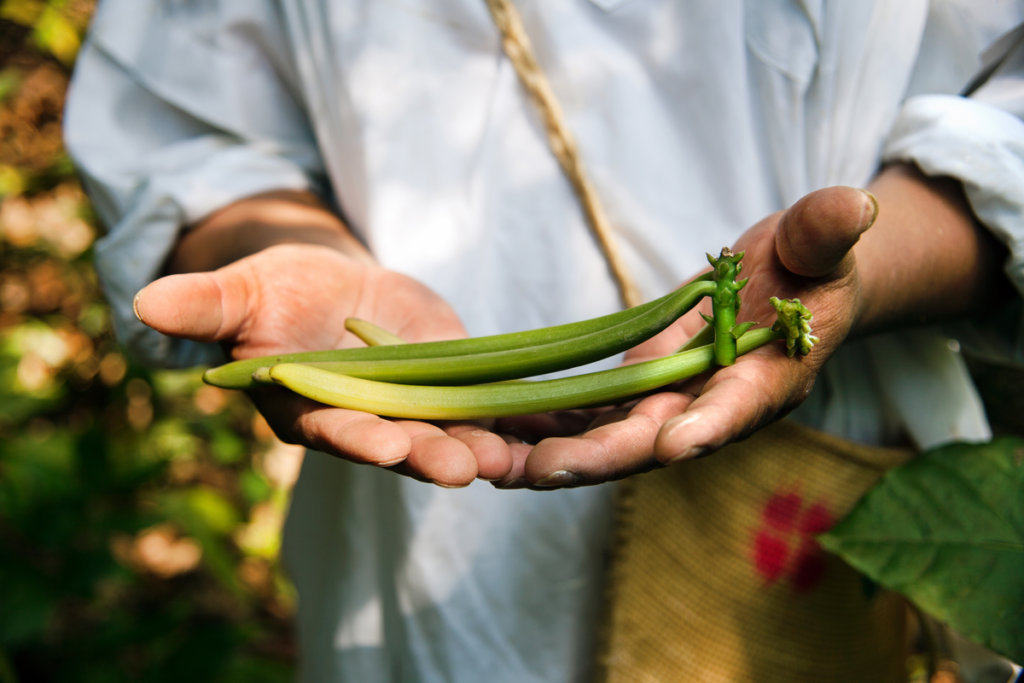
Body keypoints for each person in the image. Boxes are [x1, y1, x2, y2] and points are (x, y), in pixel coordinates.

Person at [65, 1, 1024, 680]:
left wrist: (864, 262)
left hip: (799, 481)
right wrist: (285, 248)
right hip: (414, 551)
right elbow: (191, 123)